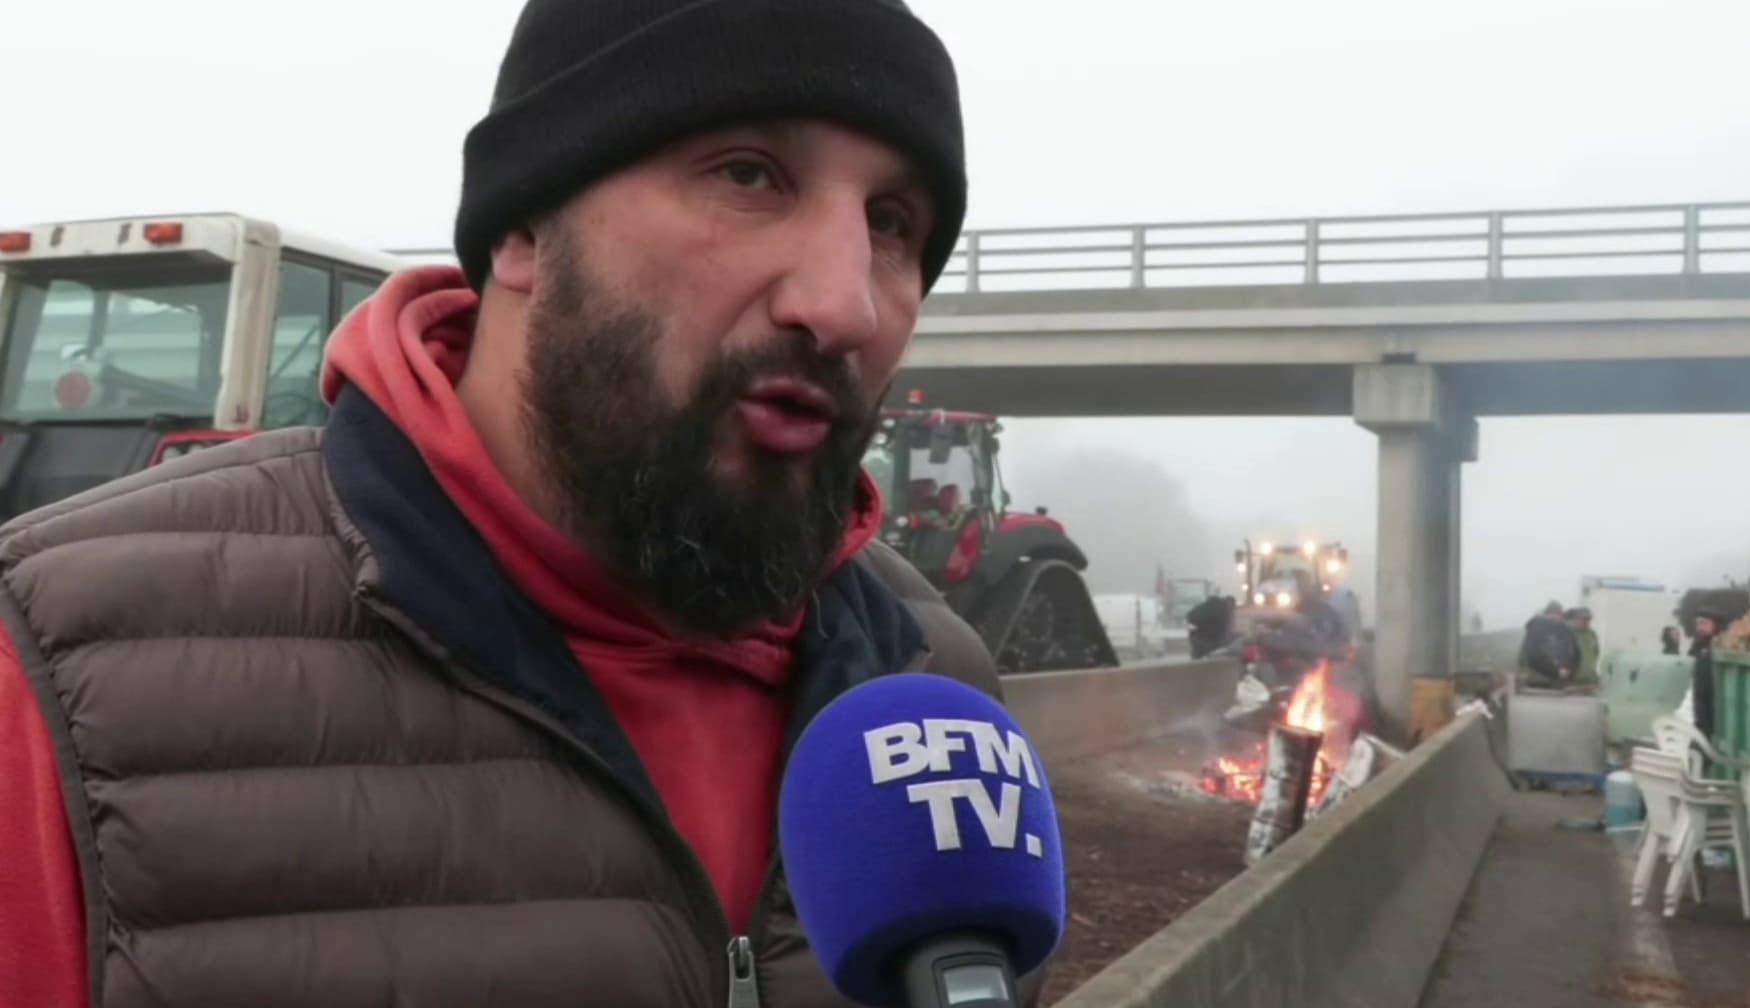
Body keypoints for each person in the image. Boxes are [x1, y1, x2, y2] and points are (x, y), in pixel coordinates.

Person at [0, 3, 1048, 1006]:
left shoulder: (935, 682)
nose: (845, 304)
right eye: (747, 174)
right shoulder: (51, 684)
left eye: (892, 224)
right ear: (523, 230)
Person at [1518, 600, 1581, 688]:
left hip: (1561, 682)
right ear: (1546, 614)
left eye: (1559, 614)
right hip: (1538, 681)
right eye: (1553, 613)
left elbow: (1576, 654)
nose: (1556, 617)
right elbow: (1534, 655)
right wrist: (1557, 671)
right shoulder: (1536, 628)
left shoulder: (1566, 631)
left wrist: (1570, 671)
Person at [1566, 607, 1601, 685]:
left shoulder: (1592, 635)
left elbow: (1596, 653)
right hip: (1574, 679)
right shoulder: (1570, 634)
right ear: (1575, 619)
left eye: (1588, 619)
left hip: (1590, 678)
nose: (1586, 622)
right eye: (1583, 619)